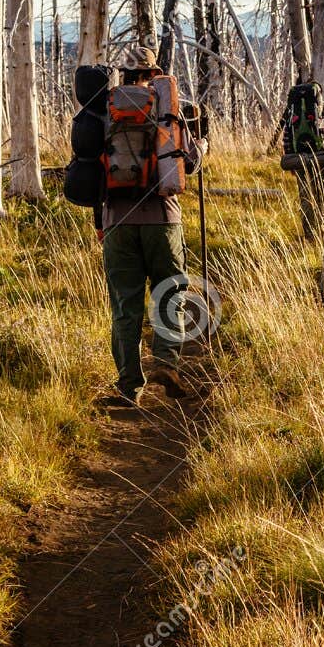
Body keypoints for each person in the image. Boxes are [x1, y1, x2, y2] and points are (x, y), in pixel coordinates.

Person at [99, 46, 207, 407]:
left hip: (117, 222)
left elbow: (92, 166)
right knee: (169, 292)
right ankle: (165, 362)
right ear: (153, 74)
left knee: (125, 305)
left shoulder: (105, 111)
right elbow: (188, 163)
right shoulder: (167, 109)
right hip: (163, 219)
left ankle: (129, 386)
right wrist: (202, 144)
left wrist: (101, 222)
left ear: (123, 73)